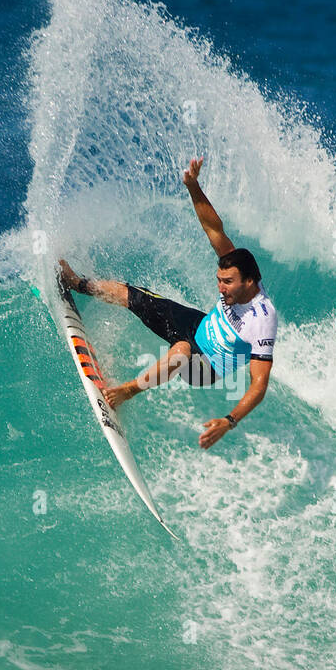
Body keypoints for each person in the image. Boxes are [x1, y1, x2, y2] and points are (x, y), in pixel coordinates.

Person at [57, 156, 277, 450]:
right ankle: (76, 283)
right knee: (135, 295)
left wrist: (230, 419)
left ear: (249, 282)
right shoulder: (236, 267)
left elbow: (259, 384)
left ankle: (128, 391)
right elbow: (213, 229)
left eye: (227, 283)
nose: (220, 287)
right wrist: (193, 186)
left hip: (207, 366)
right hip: (198, 324)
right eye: (218, 280)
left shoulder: (262, 320)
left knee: (182, 351)